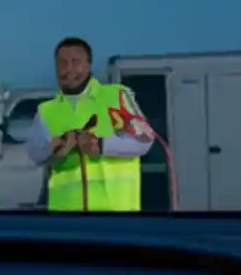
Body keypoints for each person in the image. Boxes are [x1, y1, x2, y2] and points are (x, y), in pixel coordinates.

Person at [24, 37, 153, 211]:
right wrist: (56, 148)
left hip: (117, 216)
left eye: (75, 62)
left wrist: (101, 144)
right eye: (62, 63)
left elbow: (145, 140)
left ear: (89, 65)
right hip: (67, 220)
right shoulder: (46, 110)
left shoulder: (117, 96)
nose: (68, 69)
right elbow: (34, 153)